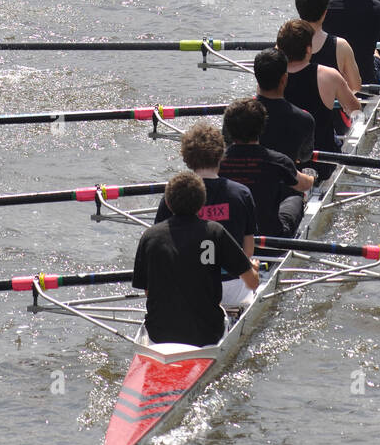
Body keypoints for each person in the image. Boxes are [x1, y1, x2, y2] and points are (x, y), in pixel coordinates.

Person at [133, 171, 258, 347]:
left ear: (168, 203)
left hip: (159, 335)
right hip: (206, 336)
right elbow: (252, 282)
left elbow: (148, 292)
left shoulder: (149, 236)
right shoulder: (215, 231)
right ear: (201, 205)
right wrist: (253, 268)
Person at [153, 121, 257, 309]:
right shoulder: (242, 193)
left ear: (187, 159)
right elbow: (248, 250)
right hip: (232, 290)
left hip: (189, 289)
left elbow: (160, 249)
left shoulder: (173, 195)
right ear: (221, 155)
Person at [277, 19, 362, 174]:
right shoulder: (328, 75)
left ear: (279, 49)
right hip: (322, 161)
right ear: (309, 49)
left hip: (282, 163)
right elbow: (355, 109)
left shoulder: (270, 75)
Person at [221, 97, 314, 238]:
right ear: (262, 127)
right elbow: (304, 185)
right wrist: (312, 177)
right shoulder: (278, 161)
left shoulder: (215, 162)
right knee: (295, 197)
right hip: (271, 236)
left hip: (229, 236)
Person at [253, 47, 316, 166]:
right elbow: (305, 156)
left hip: (245, 178)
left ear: (256, 76)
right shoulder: (304, 119)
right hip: (284, 179)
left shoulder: (236, 113)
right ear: (284, 78)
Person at [294, 0, 362, 91]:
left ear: (299, 9)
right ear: (325, 12)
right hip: (329, 107)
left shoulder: (285, 42)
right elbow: (356, 87)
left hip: (293, 106)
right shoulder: (341, 45)